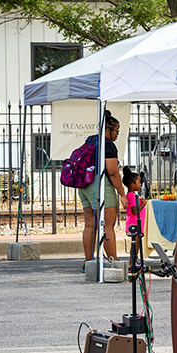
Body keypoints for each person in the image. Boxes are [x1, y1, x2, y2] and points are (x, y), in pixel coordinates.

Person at [79, 110, 128, 269]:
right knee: (108, 226)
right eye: (116, 131)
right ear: (108, 130)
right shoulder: (109, 146)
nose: (117, 135)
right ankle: (113, 263)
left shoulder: (90, 140)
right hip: (100, 185)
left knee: (89, 225)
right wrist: (122, 194)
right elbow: (113, 173)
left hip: (84, 184)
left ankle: (88, 263)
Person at [122, 166, 146, 236]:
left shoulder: (130, 195)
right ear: (132, 185)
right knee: (136, 245)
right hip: (135, 224)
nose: (140, 184)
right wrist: (143, 203)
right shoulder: (132, 196)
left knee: (136, 245)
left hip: (135, 224)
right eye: (139, 182)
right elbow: (135, 211)